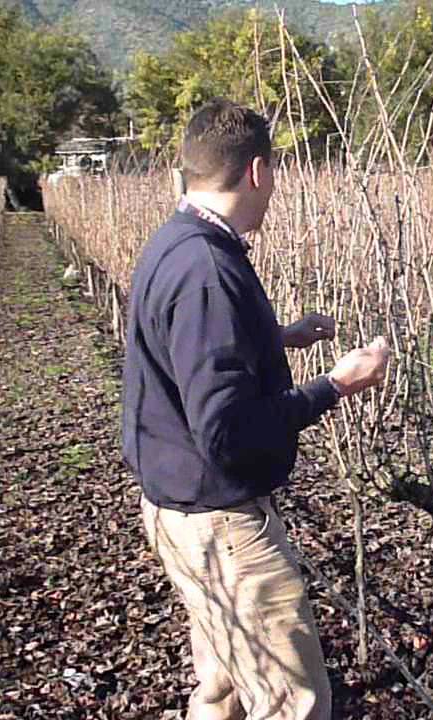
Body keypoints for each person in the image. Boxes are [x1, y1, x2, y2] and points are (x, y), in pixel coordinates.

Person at [121, 97, 390, 720]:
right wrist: (337, 385)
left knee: (224, 688)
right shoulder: (208, 270)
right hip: (223, 523)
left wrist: (274, 337)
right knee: (291, 703)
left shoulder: (176, 240)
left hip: (177, 510)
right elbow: (229, 433)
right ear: (258, 172)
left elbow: (187, 350)